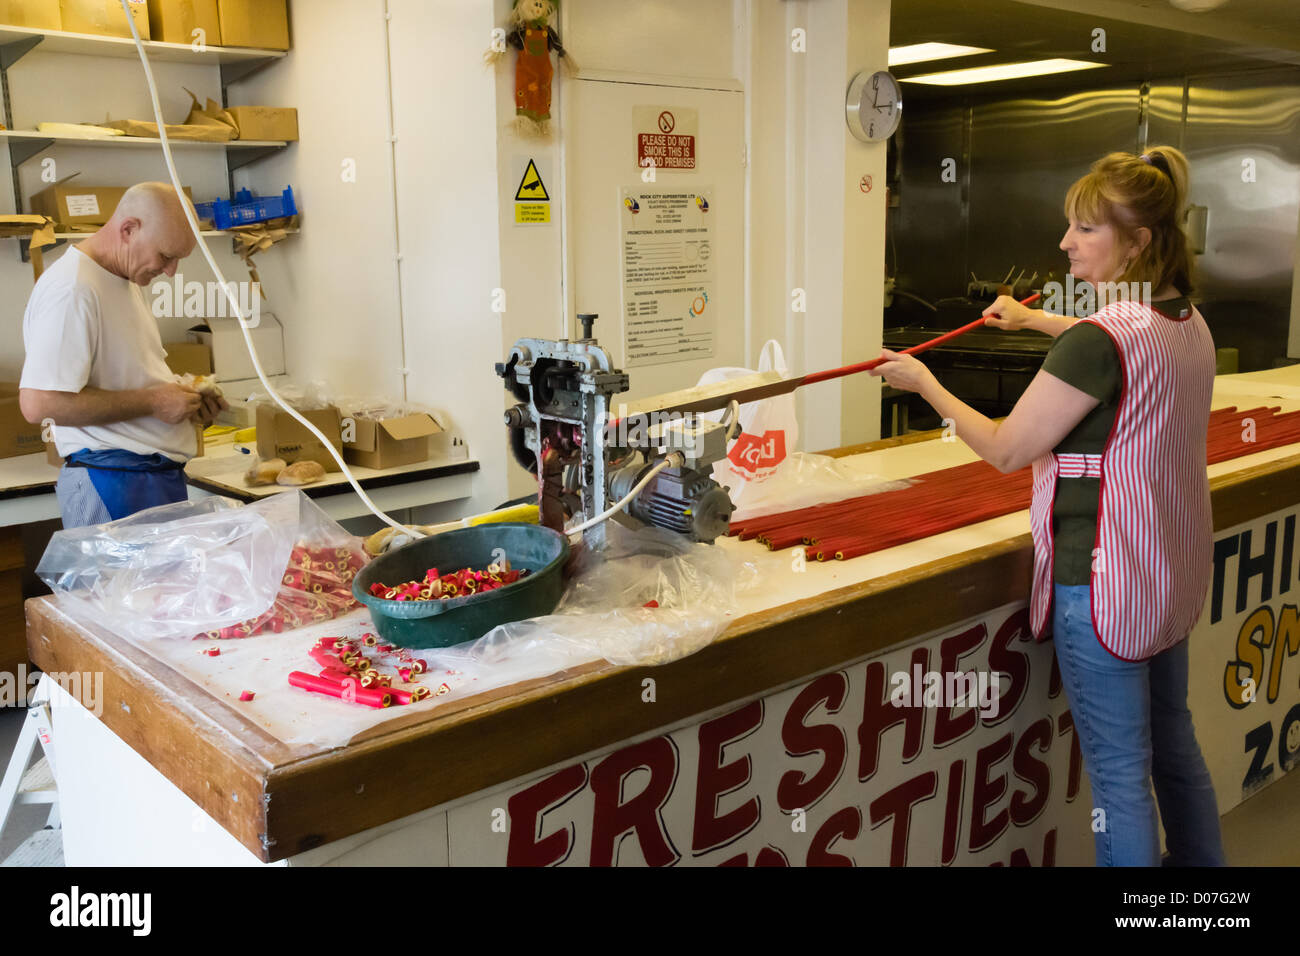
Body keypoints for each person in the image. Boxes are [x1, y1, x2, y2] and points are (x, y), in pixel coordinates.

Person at [870, 146, 1225, 867]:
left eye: (1086, 229)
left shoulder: (1103, 339)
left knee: (1121, 782)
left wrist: (925, 383)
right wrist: (1033, 321)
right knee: (1176, 751)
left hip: (1101, 583)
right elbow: (1112, 351)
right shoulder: (1183, 322)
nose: (1065, 242)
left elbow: (1005, 450)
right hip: (1168, 575)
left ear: (1138, 241)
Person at [18, 182, 228, 528]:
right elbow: (38, 403)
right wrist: (154, 403)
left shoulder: (124, 279)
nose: (172, 271)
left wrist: (184, 401)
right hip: (112, 484)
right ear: (128, 229)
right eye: (166, 256)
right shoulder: (74, 289)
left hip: (148, 480)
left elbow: (130, 376)